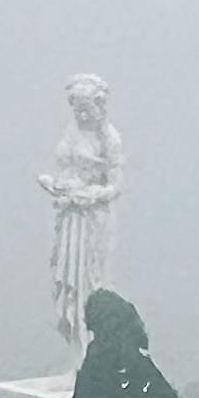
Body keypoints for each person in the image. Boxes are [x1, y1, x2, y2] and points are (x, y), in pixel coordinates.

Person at [39, 76, 124, 365]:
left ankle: (89, 355)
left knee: (89, 280)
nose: (82, 115)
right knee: (67, 283)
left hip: (91, 220)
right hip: (69, 216)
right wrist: (54, 183)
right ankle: (75, 351)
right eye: (77, 109)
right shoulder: (72, 132)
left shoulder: (108, 137)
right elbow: (65, 169)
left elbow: (115, 186)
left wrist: (87, 195)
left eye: (87, 109)